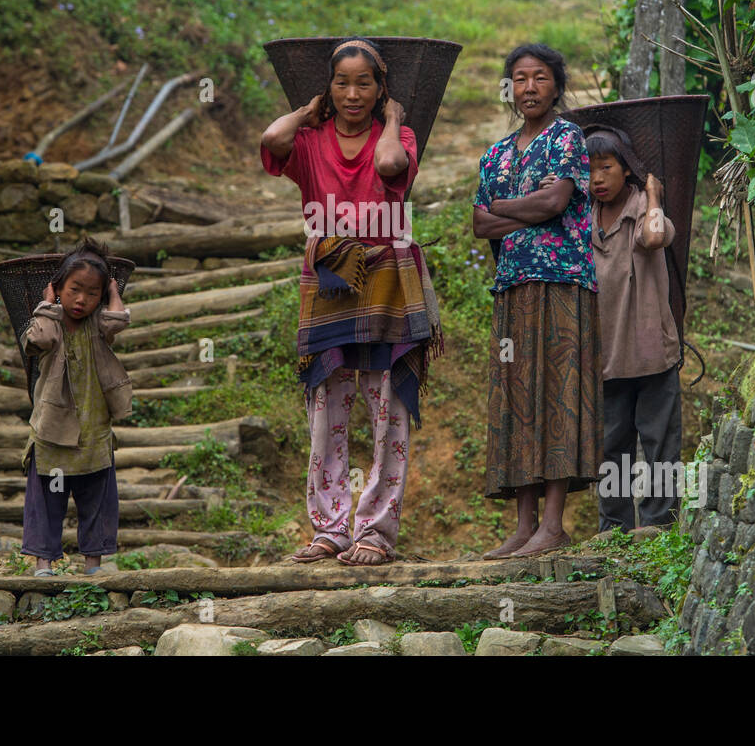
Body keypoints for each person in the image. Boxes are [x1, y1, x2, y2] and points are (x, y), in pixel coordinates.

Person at [261, 36, 443, 566]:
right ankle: (331, 527)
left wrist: (392, 119)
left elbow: (389, 167)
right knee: (326, 410)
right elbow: (272, 138)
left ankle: (376, 533)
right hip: (329, 284)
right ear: (328, 88)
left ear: (381, 89)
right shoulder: (311, 138)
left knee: (389, 413)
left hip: (388, 280)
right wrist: (307, 110)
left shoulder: (399, 135)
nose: (352, 92)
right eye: (342, 82)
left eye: (364, 82)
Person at [472, 42, 603, 559]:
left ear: (557, 85)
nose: (529, 87)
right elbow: (481, 224)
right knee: (519, 397)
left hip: (564, 283)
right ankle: (523, 527)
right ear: (509, 88)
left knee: (559, 393)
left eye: (540, 78)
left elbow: (556, 201)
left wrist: (510, 206)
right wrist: (530, 208)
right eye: (520, 79)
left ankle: (554, 524)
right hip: (513, 287)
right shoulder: (496, 153)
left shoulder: (568, 137)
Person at [584, 125, 683, 532]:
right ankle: (614, 530)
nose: (597, 179)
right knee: (612, 449)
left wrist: (655, 193)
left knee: (659, 445)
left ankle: (659, 526)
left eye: (606, 167)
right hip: (605, 356)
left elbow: (656, 236)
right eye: (589, 170)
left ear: (626, 169)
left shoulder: (644, 207)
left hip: (650, 351)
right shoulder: (583, 214)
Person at [19, 238, 132, 575]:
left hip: (93, 425)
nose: (82, 299)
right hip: (53, 425)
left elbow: (116, 321)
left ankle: (93, 563)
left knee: (97, 493)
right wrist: (49, 304)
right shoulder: (50, 324)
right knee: (46, 497)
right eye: (74, 289)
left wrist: (113, 291)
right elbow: (39, 340)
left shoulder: (98, 325)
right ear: (58, 288)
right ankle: (44, 561)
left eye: (93, 293)